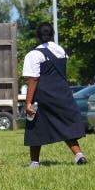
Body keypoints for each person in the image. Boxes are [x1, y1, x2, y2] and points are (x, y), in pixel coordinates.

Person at [22, 22, 86, 168]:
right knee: (64, 125)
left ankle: (34, 162)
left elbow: (33, 79)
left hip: (43, 95)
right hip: (62, 93)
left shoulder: (34, 54)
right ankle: (79, 155)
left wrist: (28, 103)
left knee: (34, 126)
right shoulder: (61, 51)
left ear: (37, 36)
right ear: (52, 35)